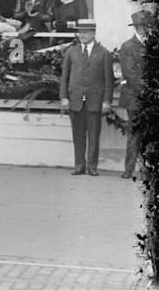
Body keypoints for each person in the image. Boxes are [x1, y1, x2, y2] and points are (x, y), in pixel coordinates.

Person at [60, 18, 115, 176]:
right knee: (77, 135)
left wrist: (106, 101)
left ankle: (92, 166)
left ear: (93, 33)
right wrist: (64, 97)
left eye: (85, 32)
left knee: (93, 135)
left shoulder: (103, 53)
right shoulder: (71, 51)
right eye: (79, 32)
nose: (81, 35)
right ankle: (79, 165)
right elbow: (65, 77)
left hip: (95, 101)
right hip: (75, 100)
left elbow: (108, 80)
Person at [115, 10, 152, 179]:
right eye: (140, 26)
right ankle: (128, 170)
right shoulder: (127, 46)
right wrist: (150, 90)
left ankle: (149, 170)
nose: (143, 29)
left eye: (146, 26)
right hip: (135, 98)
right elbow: (130, 73)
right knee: (135, 134)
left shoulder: (156, 45)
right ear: (135, 27)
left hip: (153, 99)